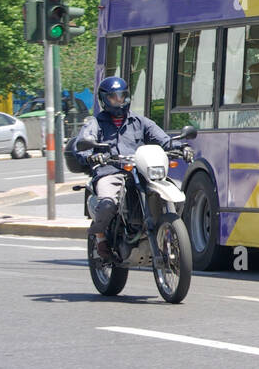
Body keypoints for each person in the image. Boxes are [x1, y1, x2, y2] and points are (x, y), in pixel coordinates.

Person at [74, 76, 194, 261]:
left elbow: (163, 139)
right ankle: (100, 237)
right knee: (108, 204)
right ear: (105, 99)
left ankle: (165, 230)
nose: (119, 101)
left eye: (122, 96)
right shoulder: (96, 123)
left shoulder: (140, 121)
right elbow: (83, 145)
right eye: (114, 97)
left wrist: (181, 147)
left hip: (140, 171)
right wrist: (91, 155)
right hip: (111, 170)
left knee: (175, 194)